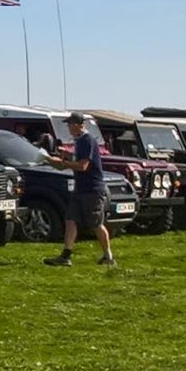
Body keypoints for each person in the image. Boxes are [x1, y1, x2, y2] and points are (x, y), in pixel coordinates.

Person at [43, 112, 114, 268]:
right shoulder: (79, 141)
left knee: (96, 224)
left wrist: (63, 163)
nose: (68, 127)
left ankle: (108, 256)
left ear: (78, 125)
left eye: (70, 124)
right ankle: (66, 256)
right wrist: (67, 155)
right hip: (80, 189)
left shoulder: (87, 140)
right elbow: (78, 158)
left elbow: (83, 166)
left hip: (92, 189)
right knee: (70, 220)